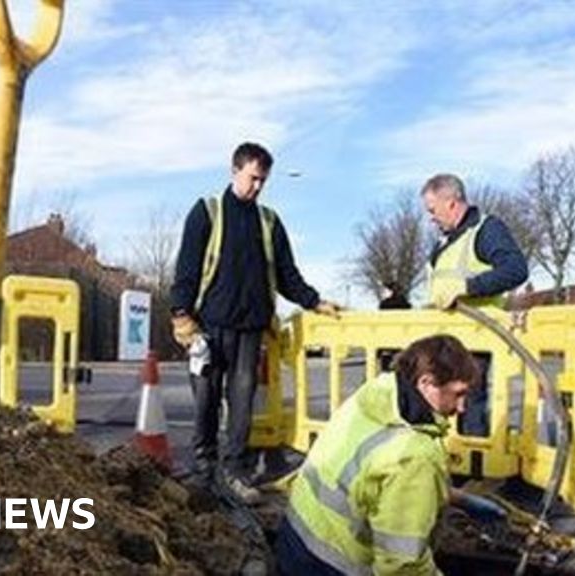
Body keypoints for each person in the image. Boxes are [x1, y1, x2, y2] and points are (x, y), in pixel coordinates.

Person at [170, 142, 340, 501]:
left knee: (243, 403)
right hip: (208, 328)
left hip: (250, 330)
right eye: (253, 178)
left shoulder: (269, 222)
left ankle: (235, 472)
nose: (258, 186)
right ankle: (203, 472)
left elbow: (286, 273)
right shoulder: (207, 212)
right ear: (235, 171)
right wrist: (181, 313)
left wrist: (314, 300)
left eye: (264, 180)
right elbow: (187, 266)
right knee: (205, 400)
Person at [276, 334, 482, 575]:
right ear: (426, 382)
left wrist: (448, 494)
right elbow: (403, 566)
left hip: (293, 537)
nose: (461, 408)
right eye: (458, 393)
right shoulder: (416, 454)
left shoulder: (373, 397)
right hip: (334, 566)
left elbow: (367, 477)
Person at [420, 174, 528, 437]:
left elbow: (515, 270)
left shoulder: (486, 230)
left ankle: (475, 464)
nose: (431, 217)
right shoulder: (443, 242)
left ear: (452, 203)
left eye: (433, 210)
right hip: (444, 340)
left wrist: (467, 288)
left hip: (475, 339)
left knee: (468, 406)